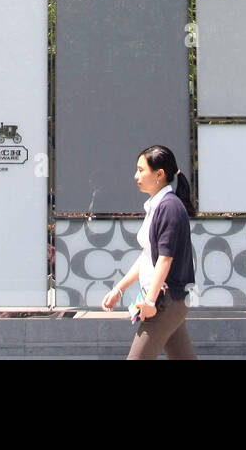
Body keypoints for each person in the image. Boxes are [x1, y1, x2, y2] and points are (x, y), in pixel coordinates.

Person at [102, 145, 197, 360]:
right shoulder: (157, 205)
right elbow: (148, 255)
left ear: (160, 174)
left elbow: (165, 260)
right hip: (168, 301)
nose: (136, 176)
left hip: (166, 300)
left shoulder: (169, 207)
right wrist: (119, 289)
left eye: (141, 170)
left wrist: (151, 302)